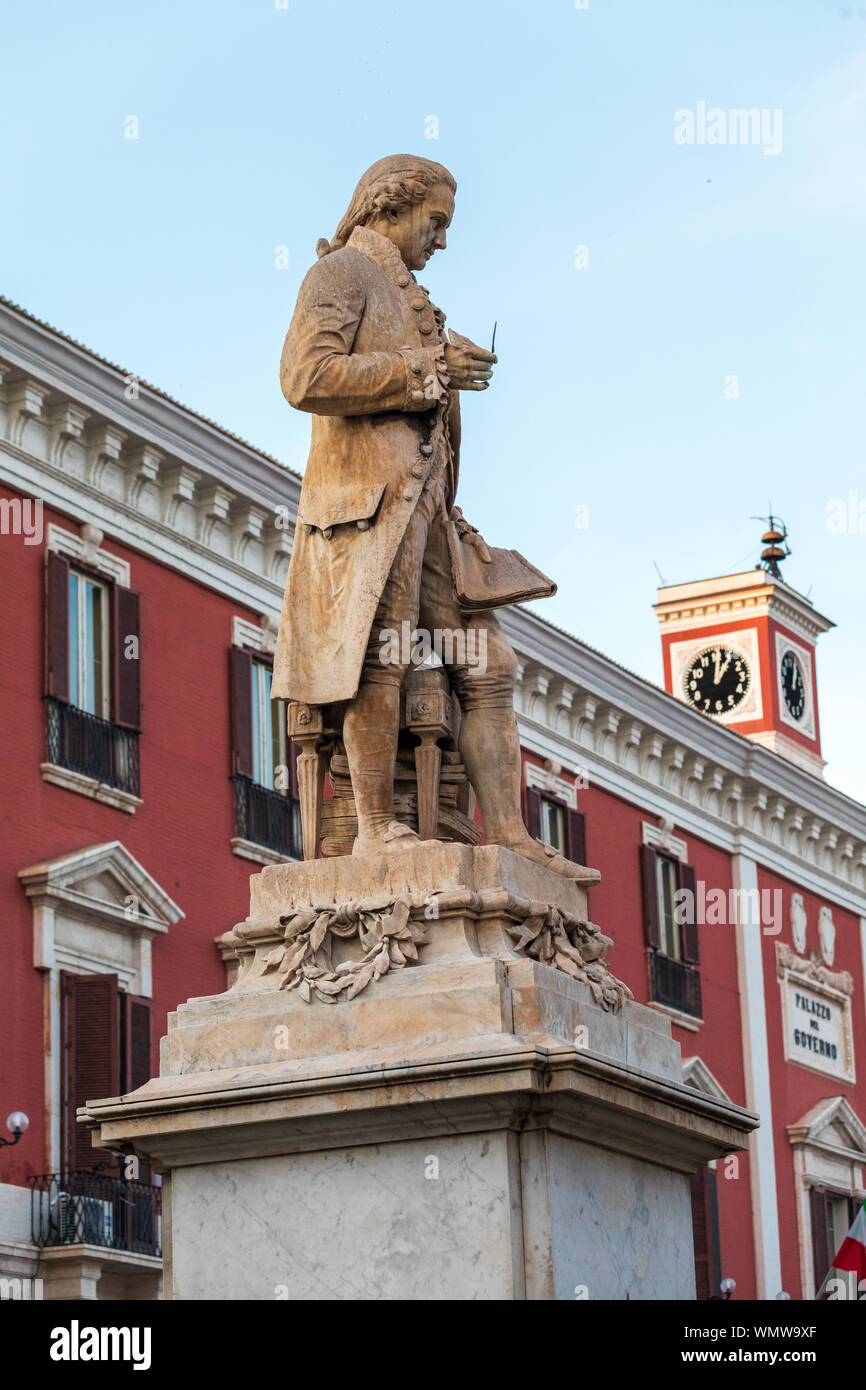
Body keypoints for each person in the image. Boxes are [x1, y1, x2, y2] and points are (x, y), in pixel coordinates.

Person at [272, 154, 583, 879]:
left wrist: (440, 371)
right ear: (391, 205)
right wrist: (428, 370)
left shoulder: (411, 297)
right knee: (381, 658)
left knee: (491, 664)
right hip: (365, 515)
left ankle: (507, 833)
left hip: (429, 515)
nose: (441, 240)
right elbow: (304, 376)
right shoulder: (340, 273)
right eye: (435, 221)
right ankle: (378, 831)